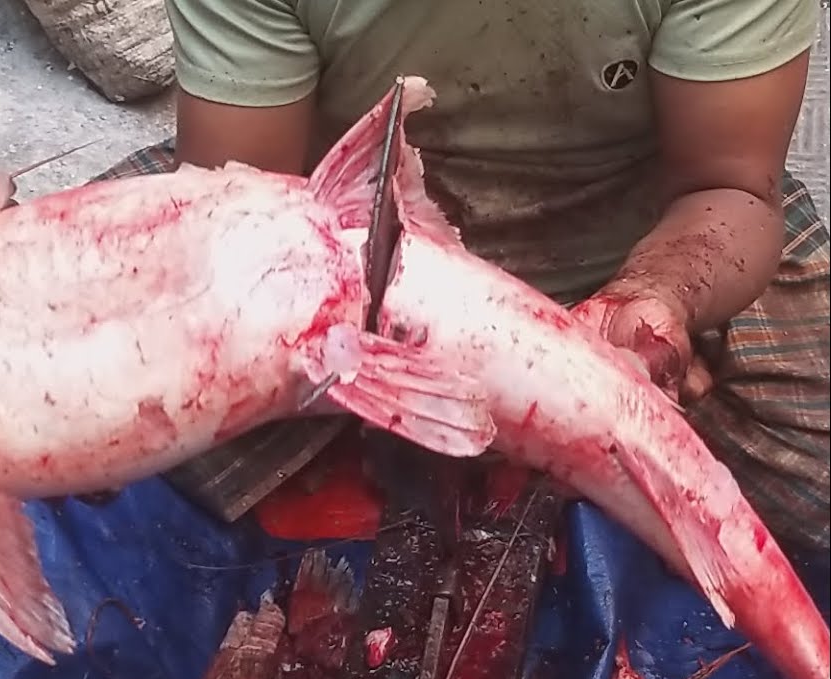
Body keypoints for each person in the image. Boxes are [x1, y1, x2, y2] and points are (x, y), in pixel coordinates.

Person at [90, 0, 829, 552]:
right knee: (69, 395)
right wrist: (387, 360)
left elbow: (730, 187)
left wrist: (658, 299)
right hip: (340, 246)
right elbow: (245, 219)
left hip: (643, 233)